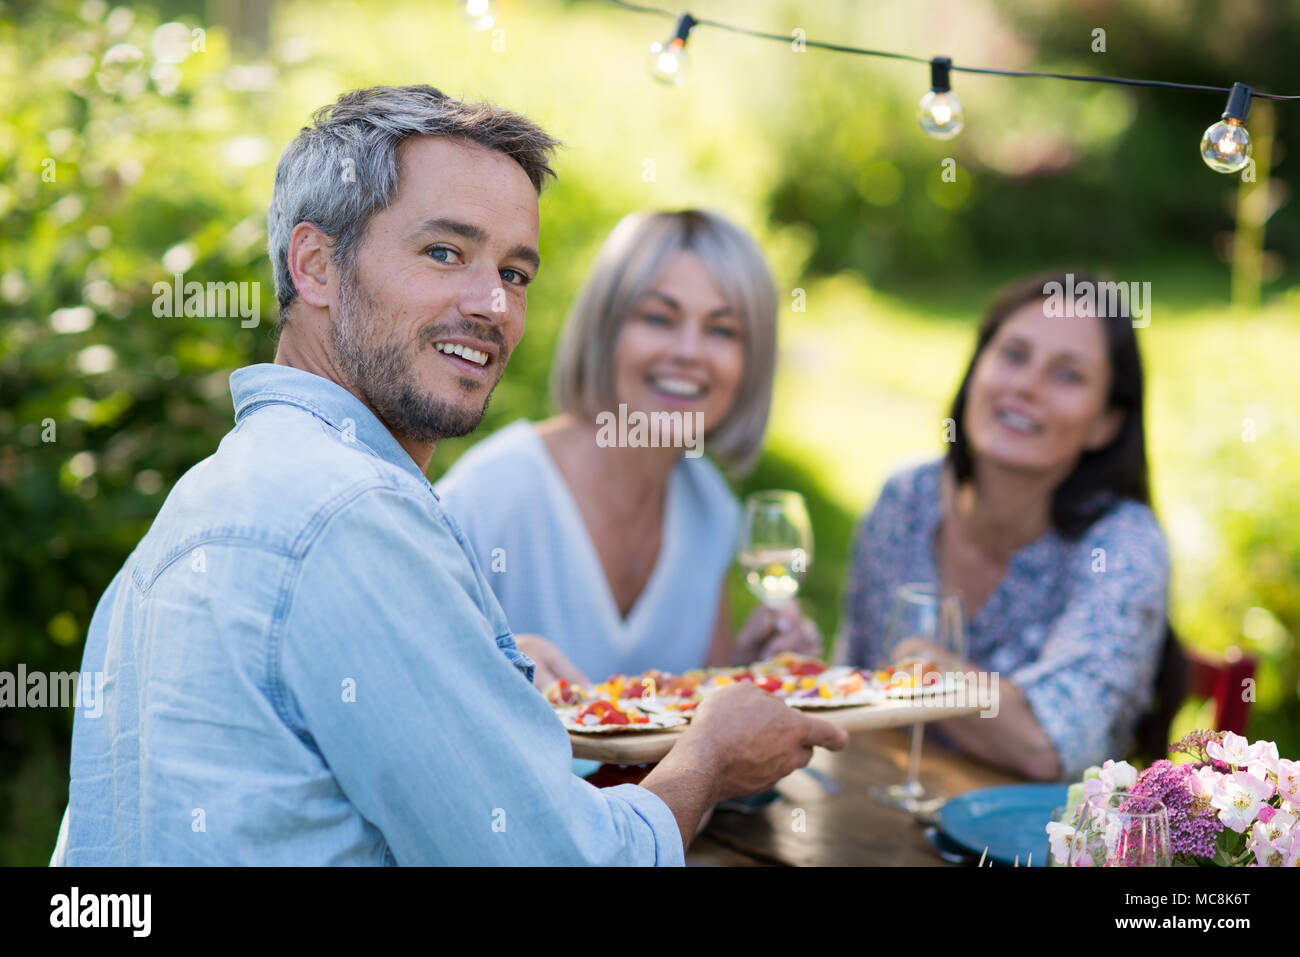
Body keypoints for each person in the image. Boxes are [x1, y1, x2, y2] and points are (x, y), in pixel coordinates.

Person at [49, 84, 847, 866]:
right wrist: (707, 759)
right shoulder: (356, 516)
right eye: (444, 252)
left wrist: (486, 674)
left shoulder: (215, 496)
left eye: (515, 273)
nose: (493, 303)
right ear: (317, 265)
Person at [434, 209, 821, 685]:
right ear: (606, 331)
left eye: (722, 330)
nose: (689, 352)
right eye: (659, 318)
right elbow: (413, 692)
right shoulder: (489, 497)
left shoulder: (710, 507)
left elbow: (694, 715)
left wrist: (751, 669)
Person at [840, 271, 1171, 782]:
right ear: (978, 369)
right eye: (1013, 355)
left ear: (1106, 421)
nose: (1025, 386)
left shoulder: (1123, 544)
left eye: (1068, 375)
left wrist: (934, 675)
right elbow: (849, 688)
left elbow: (1050, 747)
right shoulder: (905, 501)